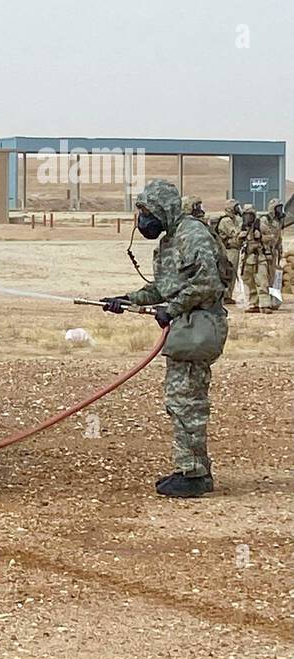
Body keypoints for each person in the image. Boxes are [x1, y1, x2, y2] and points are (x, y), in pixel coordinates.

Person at [100, 180, 227, 498]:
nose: (142, 220)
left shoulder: (191, 233)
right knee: (180, 400)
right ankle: (192, 467)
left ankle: (195, 475)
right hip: (186, 326)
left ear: (163, 209)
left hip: (199, 326)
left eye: (146, 212)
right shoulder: (171, 241)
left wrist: (170, 310)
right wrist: (127, 299)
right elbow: (162, 289)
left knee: (187, 401)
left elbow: (207, 284)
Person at [240, 205, 273, 313]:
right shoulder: (242, 226)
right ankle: (253, 304)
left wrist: (261, 238)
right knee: (249, 282)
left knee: (262, 281)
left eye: (250, 215)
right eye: (245, 215)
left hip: (259, 258)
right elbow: (236, 241)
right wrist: (240, 237)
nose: (247, 218)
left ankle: (265, 305)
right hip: (247, 258)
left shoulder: (261, 225)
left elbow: (271, 238)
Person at [214, 200, 243, 304]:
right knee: (228, 272)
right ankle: (225, 295)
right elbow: (235, 233)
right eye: (236, 207)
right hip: (229, 249)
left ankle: (228, 295)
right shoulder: (226, 221)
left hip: (234, 249)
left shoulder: (233, 219)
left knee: (233, 273)